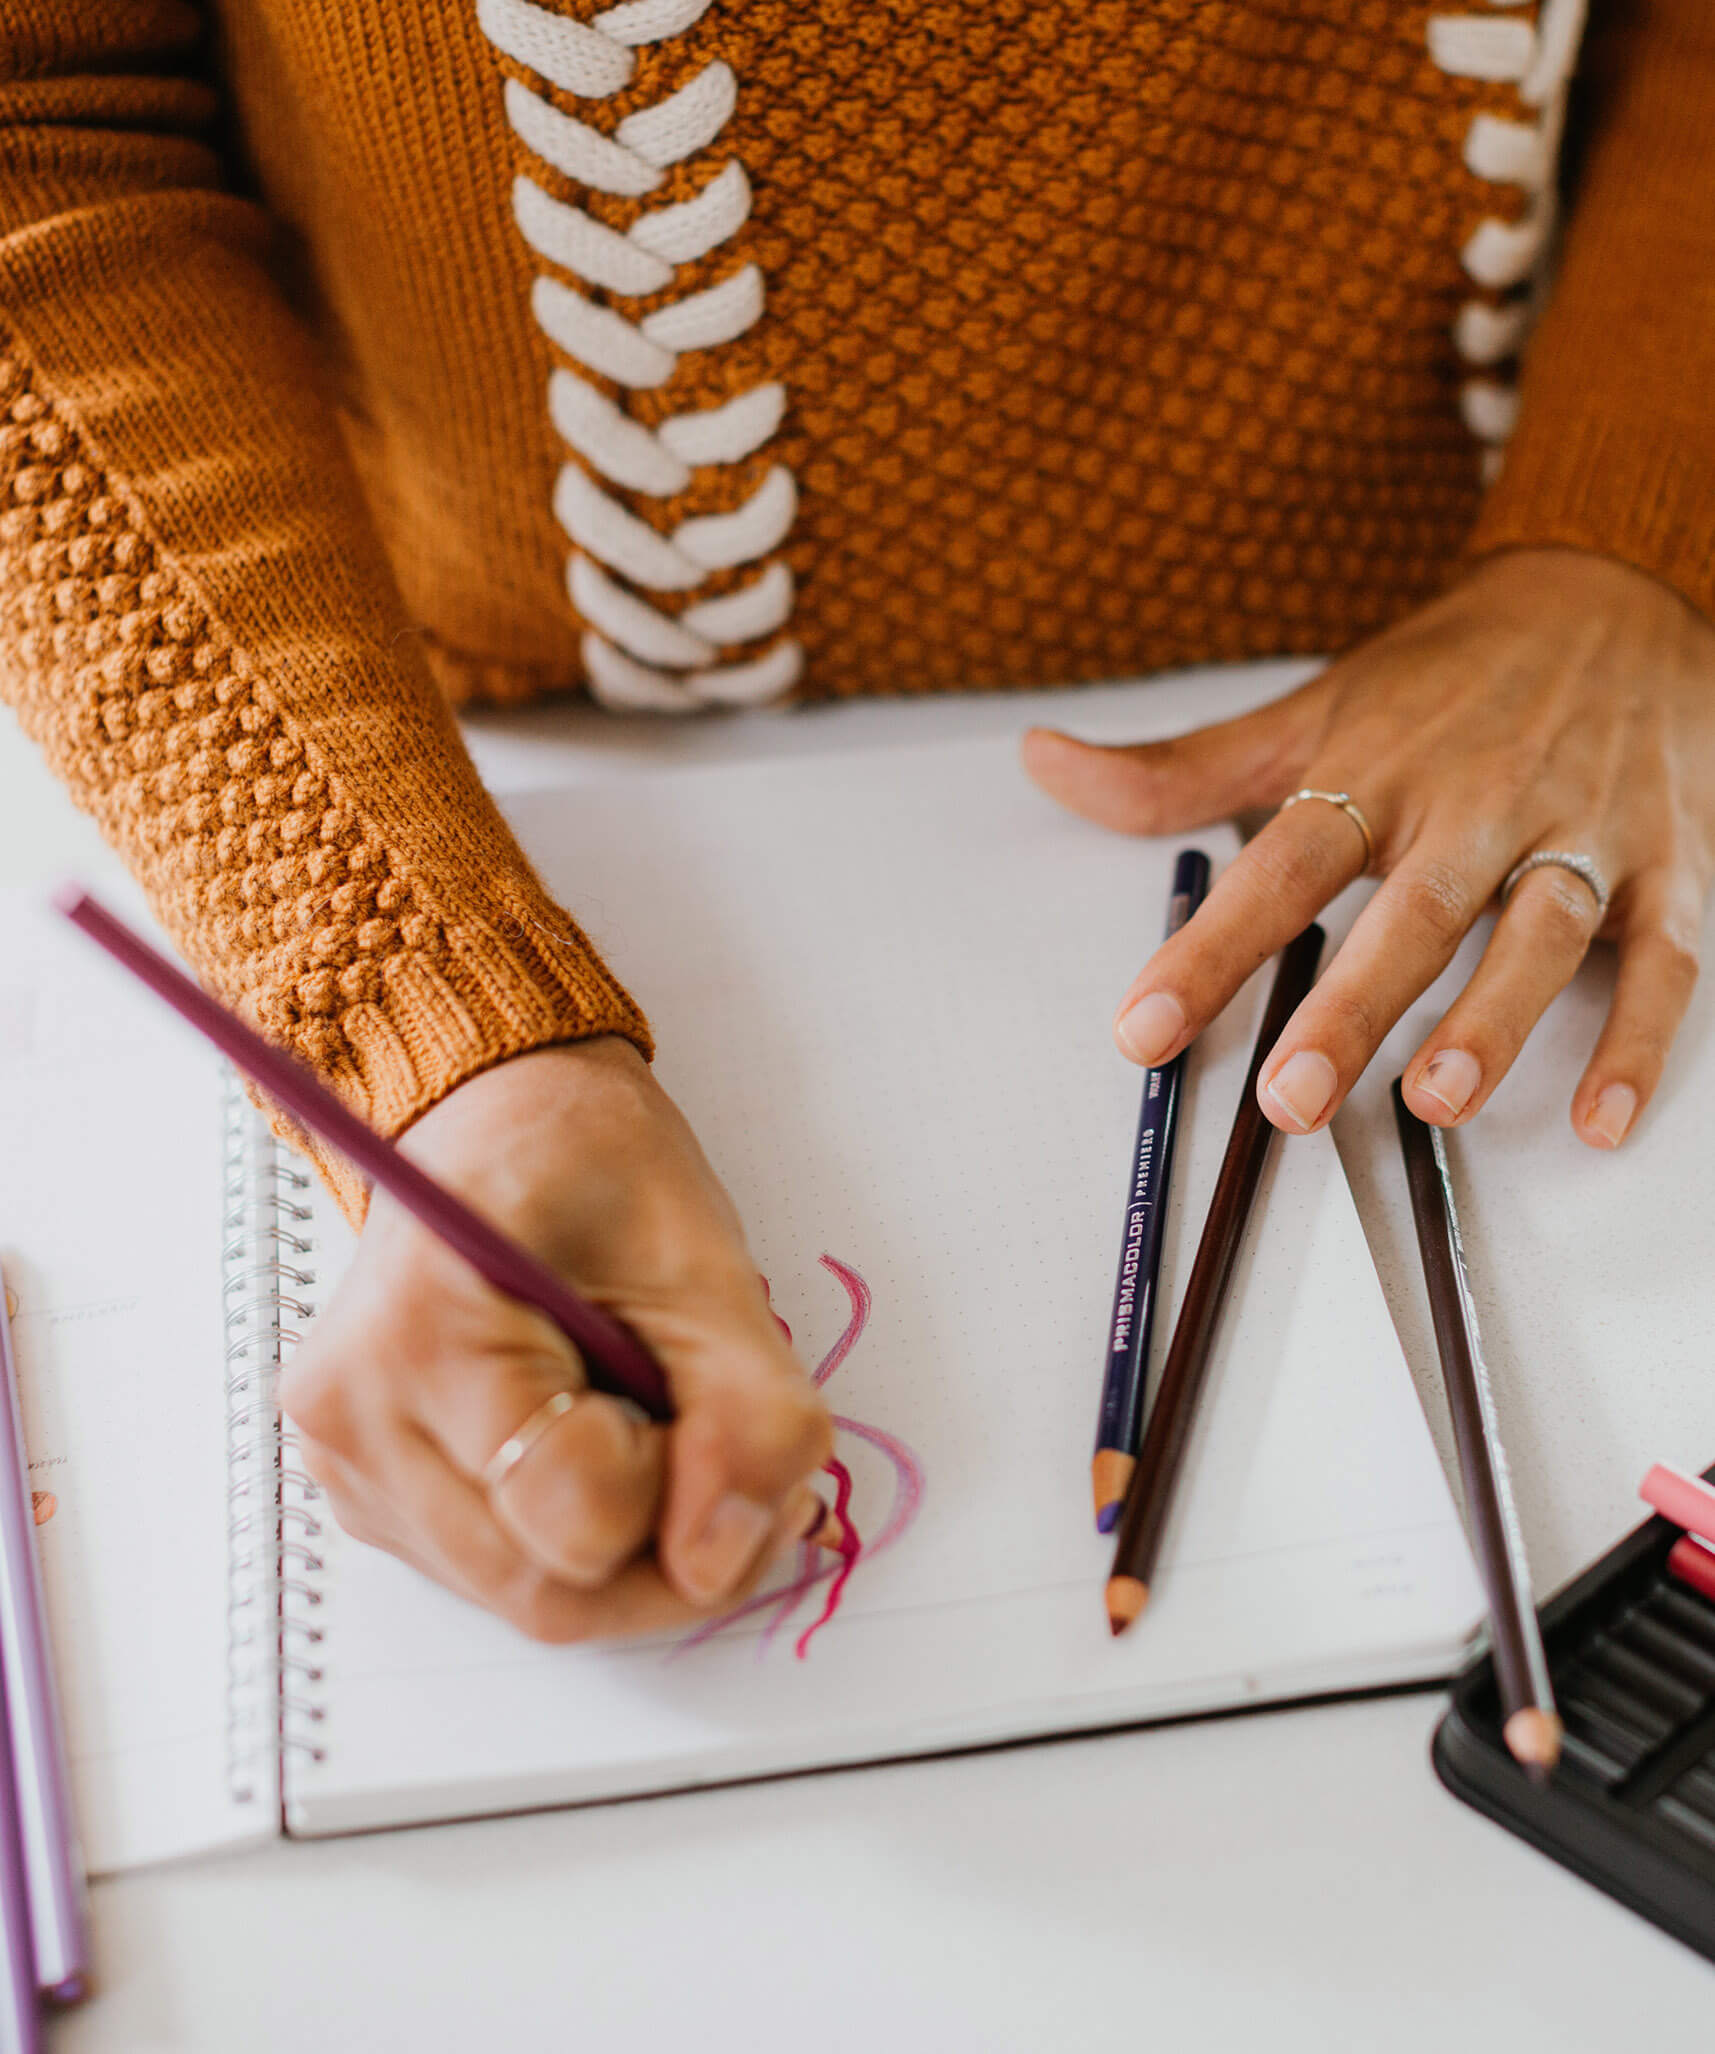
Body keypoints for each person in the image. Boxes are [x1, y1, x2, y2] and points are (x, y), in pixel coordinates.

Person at [1, 1, 1711, 1642]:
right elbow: (36, 129)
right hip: (492, 739)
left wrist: (1631, 538)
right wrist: (417, 994)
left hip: (1529, 723)